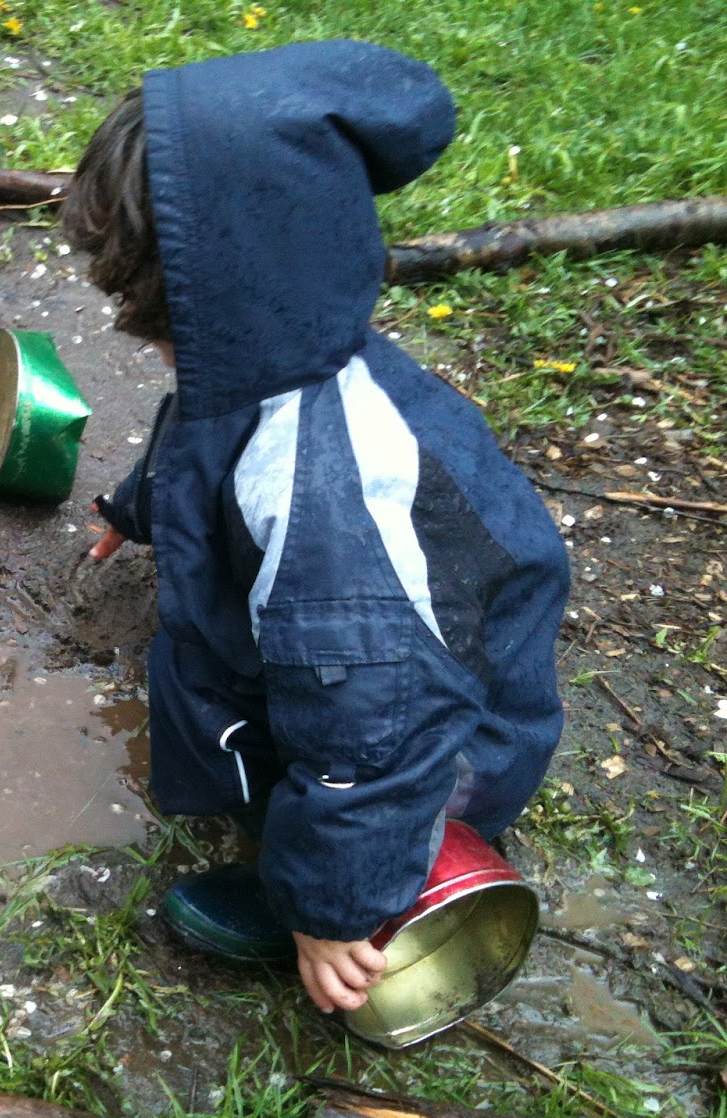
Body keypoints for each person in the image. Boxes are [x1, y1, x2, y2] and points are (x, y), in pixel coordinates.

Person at [63, 42, 569, 1015]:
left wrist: (328, 909)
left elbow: (374, 734)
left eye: (146, 309)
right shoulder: (271, 351)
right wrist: (132, 510)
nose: (139, 331)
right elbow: (195, 434)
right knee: (232, 669)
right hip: (365, 658)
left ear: (229, 297)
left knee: (343, 782)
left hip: (427, 727)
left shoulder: (331, 491)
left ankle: (356, 897)